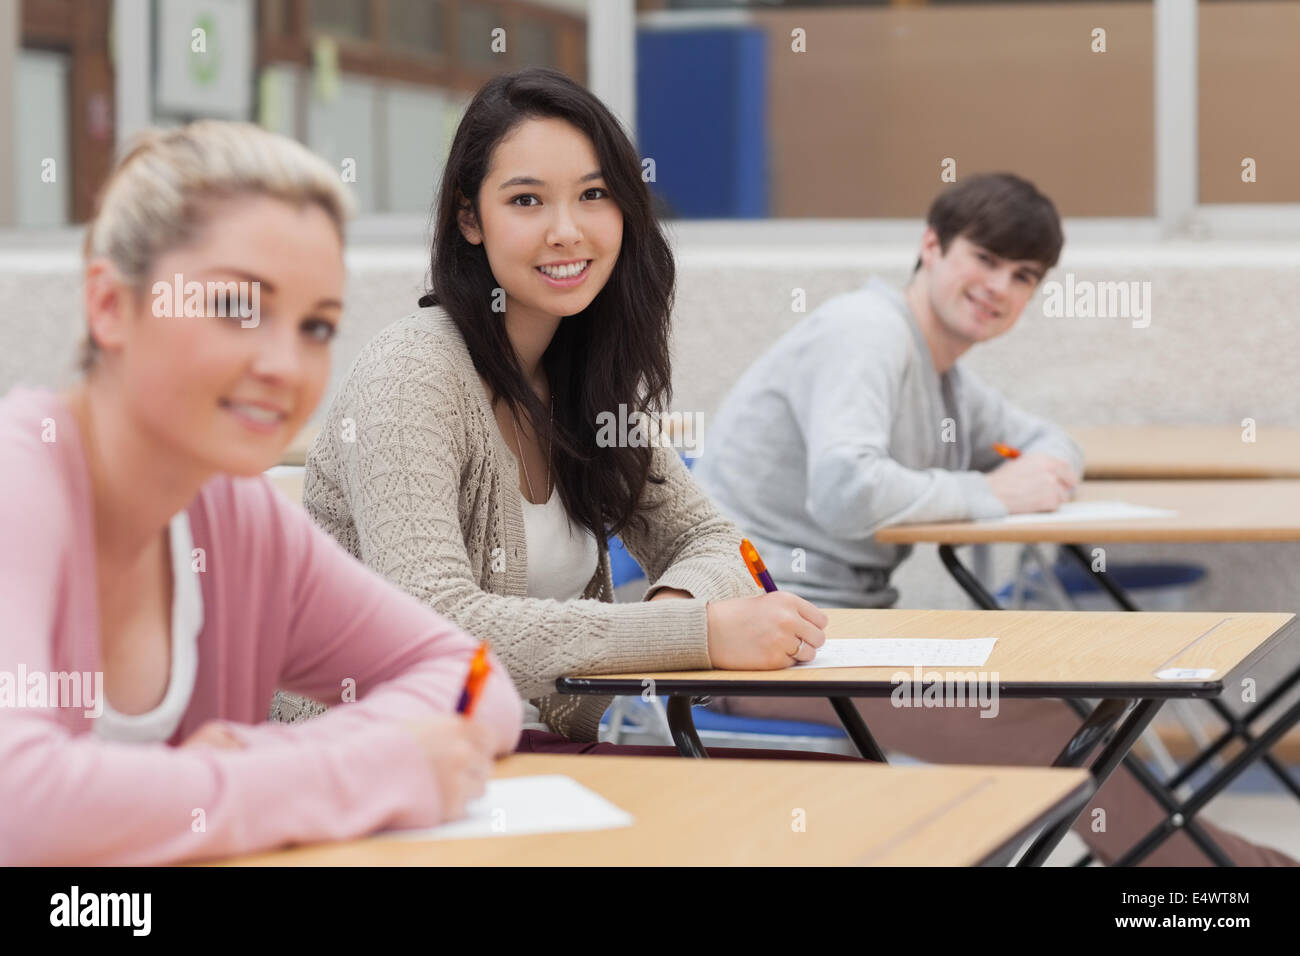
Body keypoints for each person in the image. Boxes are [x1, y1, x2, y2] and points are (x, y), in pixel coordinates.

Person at [696, 172, 1296, 865]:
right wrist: (997, 493)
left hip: (834, 638)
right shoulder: (866, 334)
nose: (999, 287)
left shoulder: (943, 373)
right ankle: (1236, 876)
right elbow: (846, 489)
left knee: (1069, 707)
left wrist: (1033, 469)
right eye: (984, 259)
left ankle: (1237, 869)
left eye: (1023, 276)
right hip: (757, 654)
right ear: (931, 246)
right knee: (1048, 727)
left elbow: (1050, 442)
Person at [0, 121, 522, 866]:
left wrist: (257, 765)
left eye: (316, 326)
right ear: (111, 306)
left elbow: (474, 681)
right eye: (236, 308)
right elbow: (19, 808)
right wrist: (344, 769)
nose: (285, 363)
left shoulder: (234, 516)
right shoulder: (18, 483)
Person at [292, 68, 831, 755]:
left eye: (594, 195)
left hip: (533, 758)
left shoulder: (580, 375)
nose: (567, 231)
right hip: (378, 765)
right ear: (469, 218)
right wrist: (695, 636)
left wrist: (673, 616)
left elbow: (717, 543)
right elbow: (434, 624)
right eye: (526, 201)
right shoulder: (412, 373)